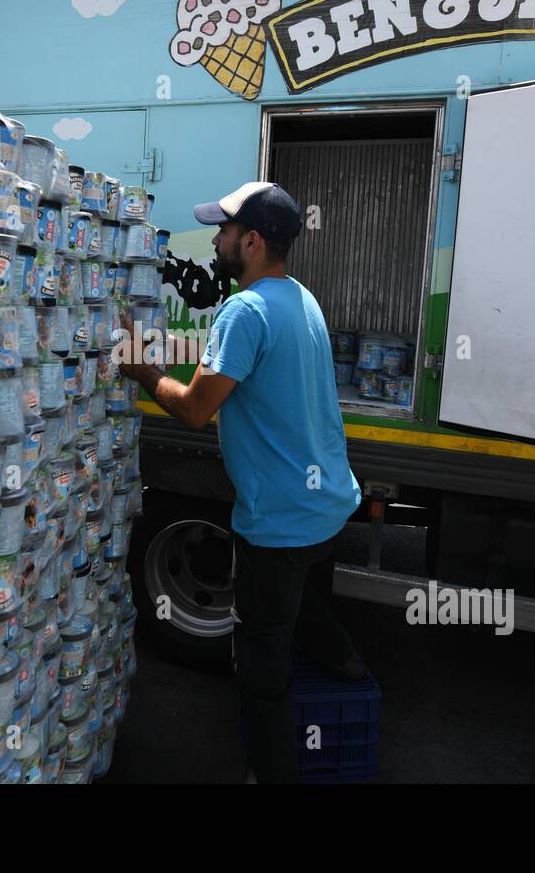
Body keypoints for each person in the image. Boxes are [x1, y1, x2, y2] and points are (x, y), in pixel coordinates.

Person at [117, 181, 365, 783]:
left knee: (260, 658)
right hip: (327, 504)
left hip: (279, 518)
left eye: (223, 231)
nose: (216, 241)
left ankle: (272, 774)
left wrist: (141, 367)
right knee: (297, 595)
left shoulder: (245, 310)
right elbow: (232, 362)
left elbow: (197, 408)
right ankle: (349, 665)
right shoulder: (298, 298)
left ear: (250, 242)